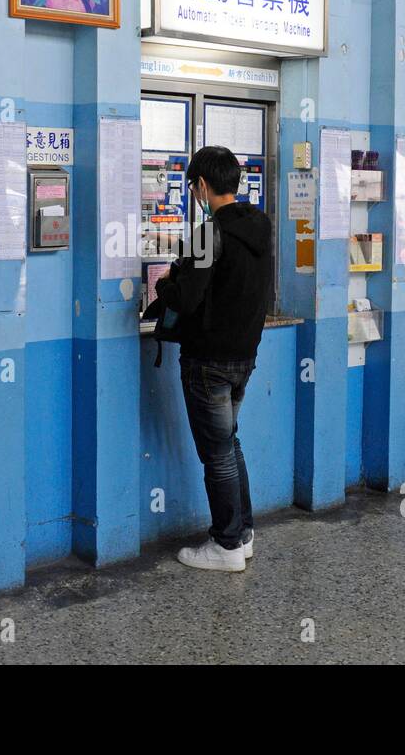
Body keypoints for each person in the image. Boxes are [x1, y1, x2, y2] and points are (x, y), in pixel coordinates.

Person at [154, 146, 273, 572]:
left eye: (192, 185)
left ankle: (225, 545)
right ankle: (242, 534)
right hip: (244, 358)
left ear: (202, 185)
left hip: (208, 361)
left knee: (217, 453)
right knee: (229, 445)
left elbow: (186, 299)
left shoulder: (208, 234)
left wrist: (165, 284)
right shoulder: (260, 227)